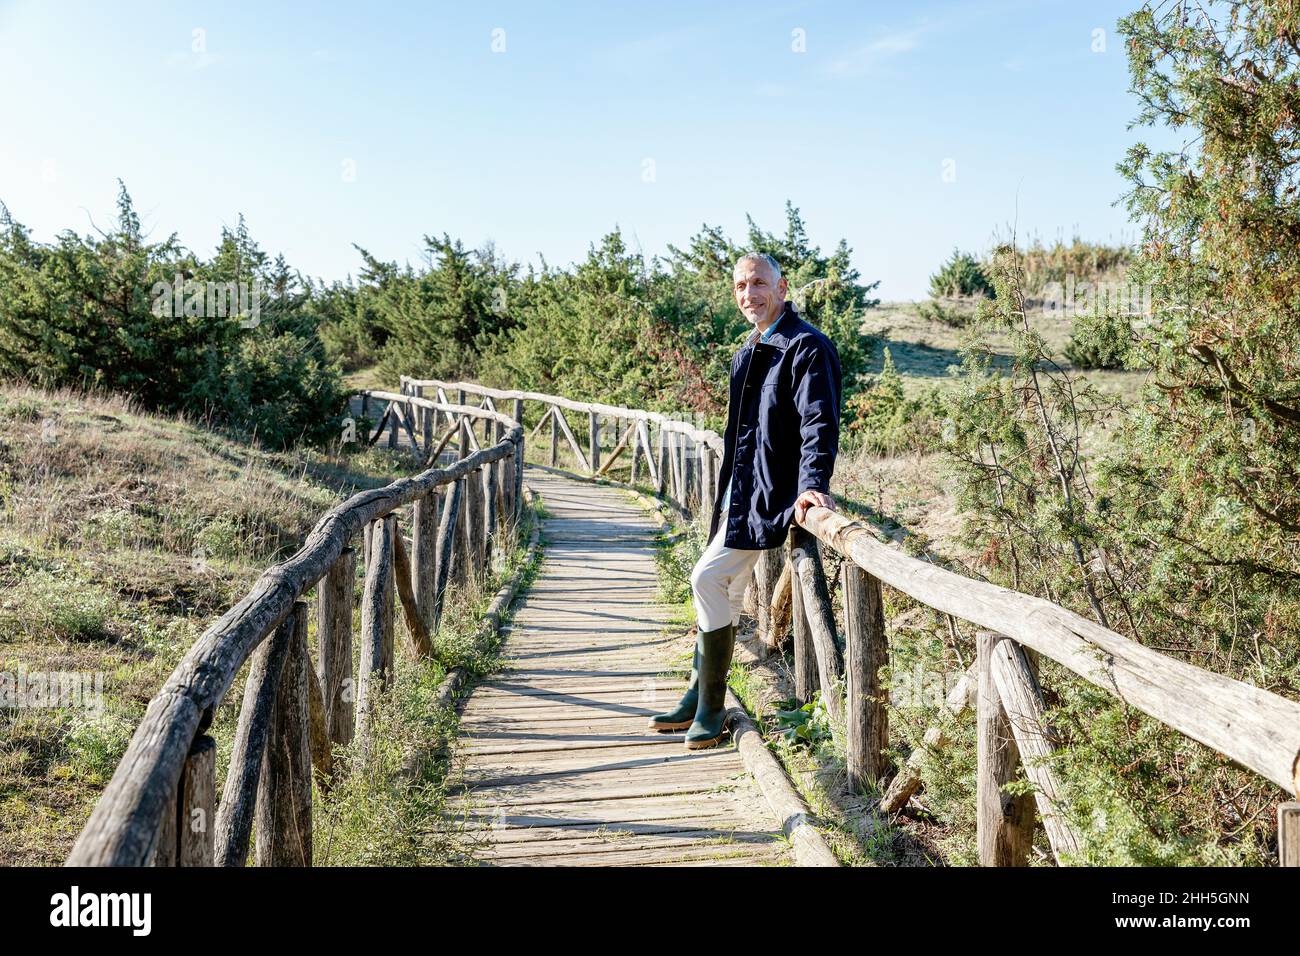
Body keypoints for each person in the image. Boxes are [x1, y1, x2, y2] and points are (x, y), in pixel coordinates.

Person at [648, 252, 842, 749]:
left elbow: (818, 422)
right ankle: (696, 696)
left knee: (706, 578)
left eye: (758, 283)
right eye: (740, 286)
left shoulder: (805, 347)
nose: (748, 294)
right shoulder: (749, 352)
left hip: (771, 497)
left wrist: (812, 484)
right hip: (738, 493)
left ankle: (711, 707)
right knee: (727, 590)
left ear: (782, 287)